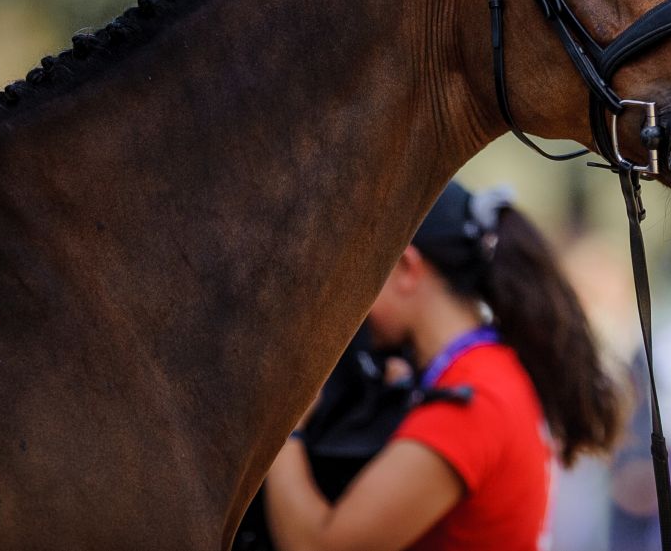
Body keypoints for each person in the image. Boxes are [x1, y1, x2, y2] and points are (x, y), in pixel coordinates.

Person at [264, 181, 624, 551]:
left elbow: (317, 545)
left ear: (406, 268)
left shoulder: (470, 405)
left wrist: (283, 426)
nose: (347, 298)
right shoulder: (495, 369)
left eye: (359, 272)